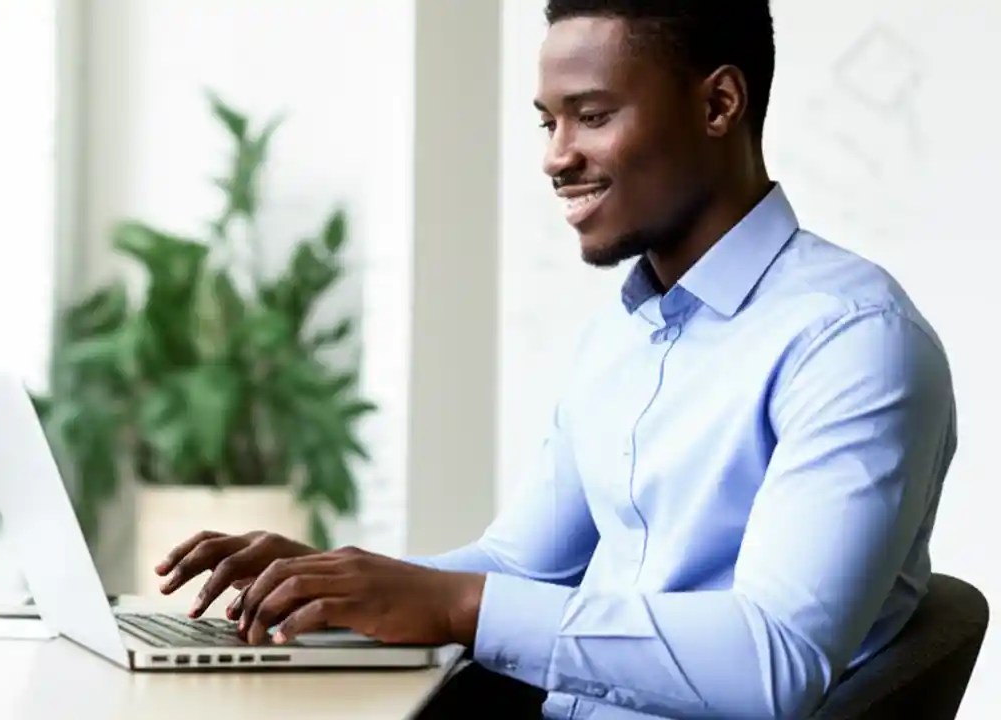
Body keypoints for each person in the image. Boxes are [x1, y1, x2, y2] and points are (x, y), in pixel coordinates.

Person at [153, 1, 957, 717]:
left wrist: (457, 605)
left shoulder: (852, 340)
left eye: (592, 116)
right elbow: (518, 564)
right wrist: (335, 582)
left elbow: (773, 659)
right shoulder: (625, 333)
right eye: (549, 123)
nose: (555, 156)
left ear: (719, 104)